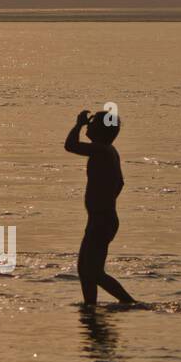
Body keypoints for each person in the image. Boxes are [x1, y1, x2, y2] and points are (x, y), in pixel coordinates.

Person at [64, 109, 135, 305]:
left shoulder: (102, 150)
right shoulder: (108, 152)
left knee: (93, 272)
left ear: (102, 131)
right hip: (100, 218)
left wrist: (78, 124)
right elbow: (120, 183)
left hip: (102, 219)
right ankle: (90, 307)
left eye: (92, 124)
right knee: (84, 269)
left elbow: (70, 146)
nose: (88, 125)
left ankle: (129, 303)